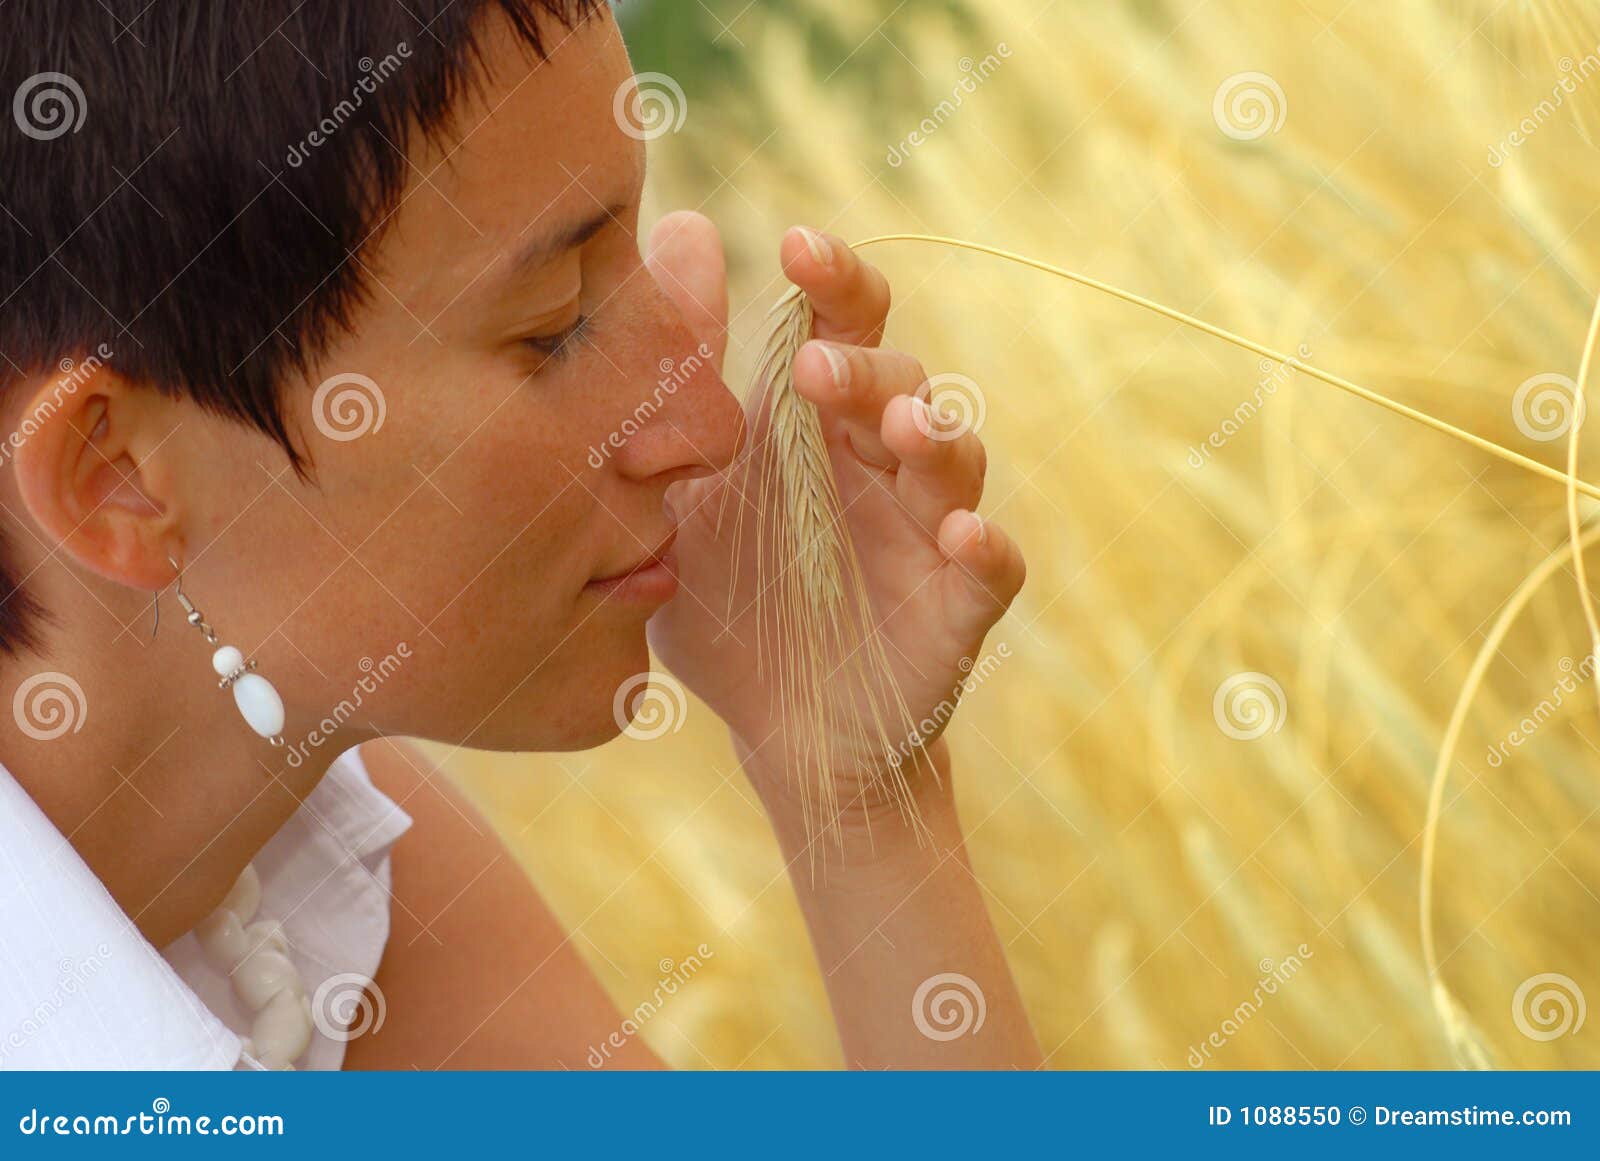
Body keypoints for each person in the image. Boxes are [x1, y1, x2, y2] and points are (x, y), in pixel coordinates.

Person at [0, 0, 1037, 1069]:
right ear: (115, 477)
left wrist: (855, 793)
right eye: (553, 326)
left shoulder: (304, 857)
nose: (711, 427)